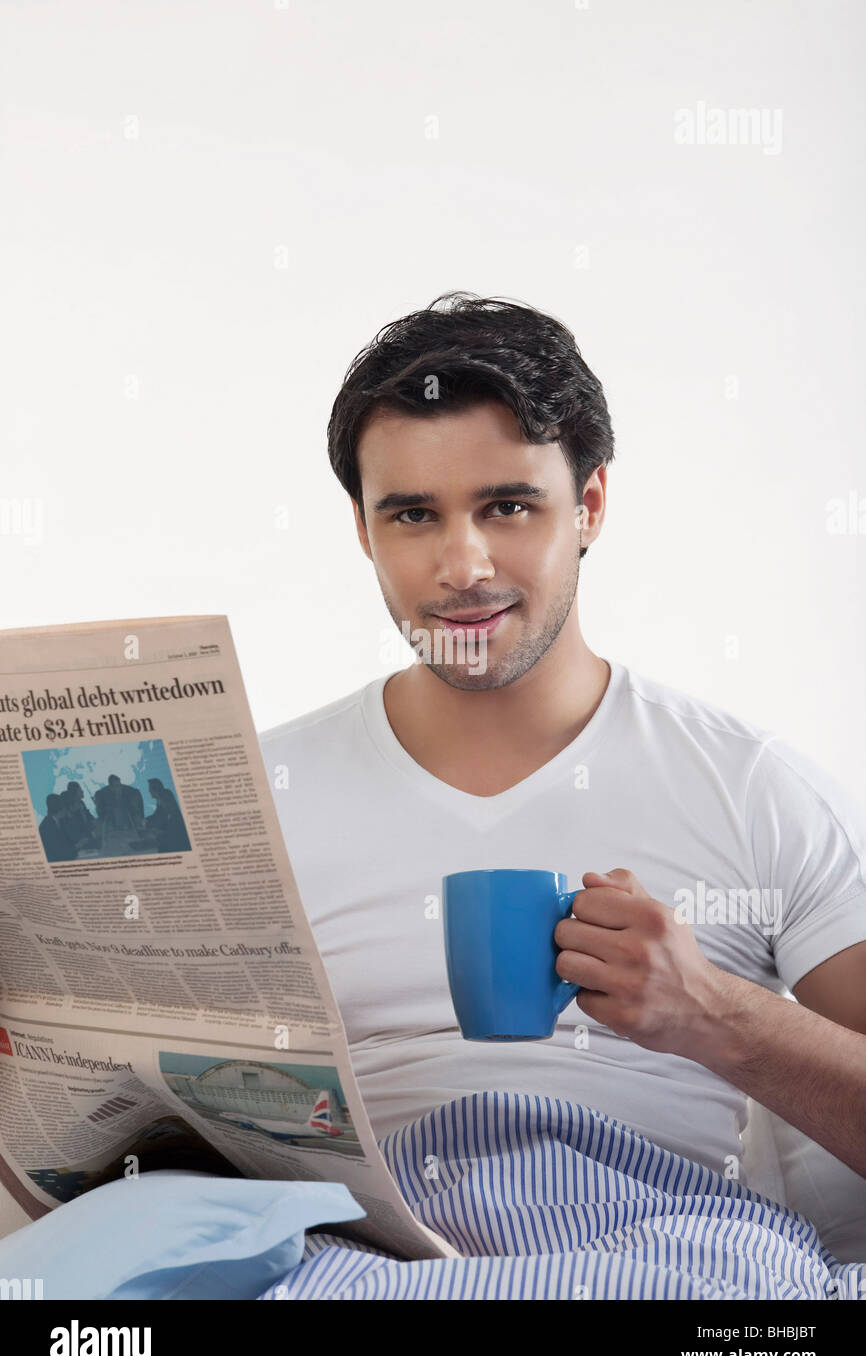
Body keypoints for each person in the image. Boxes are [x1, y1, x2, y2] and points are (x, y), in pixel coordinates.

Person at [259, 291, 866, 1185]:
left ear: (588, 505)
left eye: (508, 507)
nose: (463, 568)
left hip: (672, 1261)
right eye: (413, 515)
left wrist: (713, 1015)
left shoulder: (755, 790)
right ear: (363, 530)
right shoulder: (253, 801)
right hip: (353, 1263)